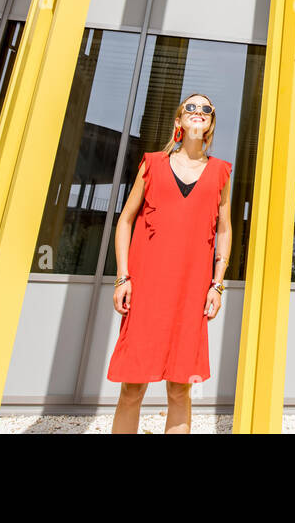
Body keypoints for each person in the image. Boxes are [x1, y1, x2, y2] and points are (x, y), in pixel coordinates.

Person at [107, 93, 233, 434]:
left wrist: (217, 284)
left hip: (190, 297)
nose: (198, 111)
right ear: (179, 121)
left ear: (209, 125)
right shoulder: (152, 164)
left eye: (206, 109)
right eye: (190, 107)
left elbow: (224, 230)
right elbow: (125, 221)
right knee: (132, 389)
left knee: (181, 388)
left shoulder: (221, 173)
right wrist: (123, 277)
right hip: (146, 292)